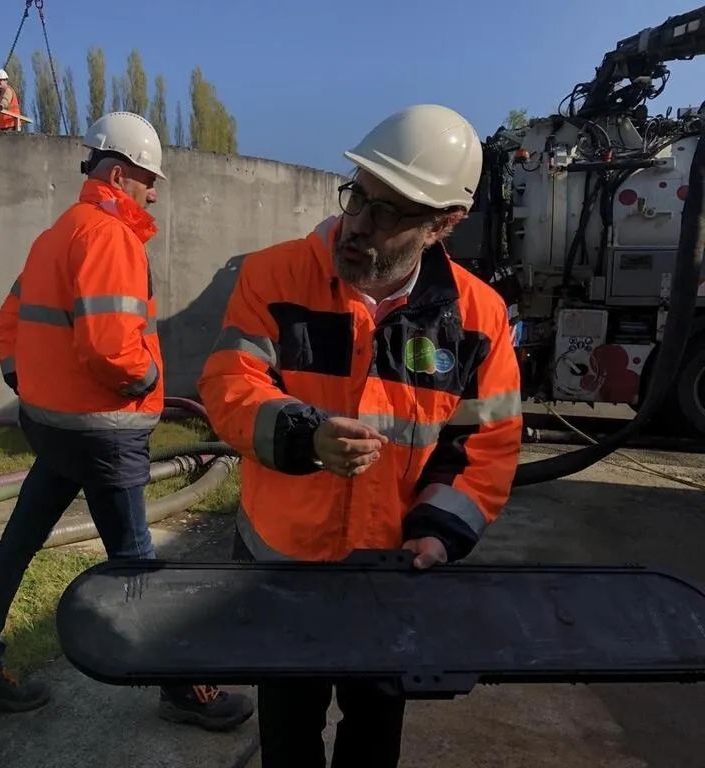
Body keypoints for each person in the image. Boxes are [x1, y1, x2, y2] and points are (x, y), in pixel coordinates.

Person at [197, 104, 524, 767]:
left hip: (391, 570)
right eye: (357, 196)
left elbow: (485, 445)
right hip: (283, 559)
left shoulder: (479, 319)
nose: (357, 224)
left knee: (374, 737)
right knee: (287, 738)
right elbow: (230, 386)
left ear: (445, 225)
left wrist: (437, 530)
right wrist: (302, 433)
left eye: (388, 212)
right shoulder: (273, 277)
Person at [0, 111, 255, 732]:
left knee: (18, 543)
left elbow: (10, 321)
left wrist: (25, 382)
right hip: (104, 431)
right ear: (119, 173)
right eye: (149, 180)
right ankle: (181, 690)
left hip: (52, 426)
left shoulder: (56, 234)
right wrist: (147, 379)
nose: (154, 192)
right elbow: (110, 345)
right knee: (138, 562)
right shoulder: (112, 237)